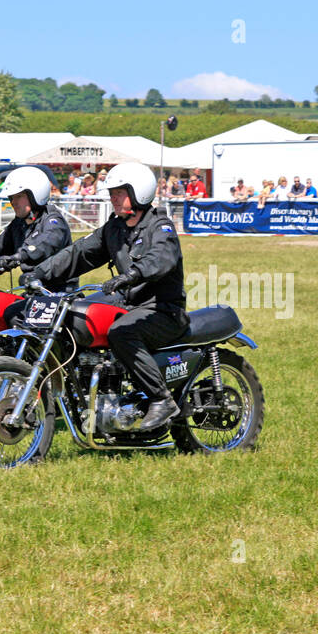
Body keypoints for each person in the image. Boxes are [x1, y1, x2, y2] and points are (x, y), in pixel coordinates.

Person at [27, 162, 189, 432]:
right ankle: (78, 396)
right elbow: (80, 253)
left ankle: (161, 400)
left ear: (140, 193)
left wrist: (131, 275)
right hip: (127, 302)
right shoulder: (115, 228)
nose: (113, 197)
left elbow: (161, 259)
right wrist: (40, 273)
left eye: (120, 192)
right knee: (74, 316)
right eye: (112, 192)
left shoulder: (160, 227)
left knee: (121, 333)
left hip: (162, 309)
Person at [0, 166, 75, 291]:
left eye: (19, 196)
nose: (13, 202)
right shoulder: (19, 224)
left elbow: (45, 243)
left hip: (60, 296)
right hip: (34, 293)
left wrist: (19, 256)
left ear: (35, 195)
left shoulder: (53, 222)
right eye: (11, 197)